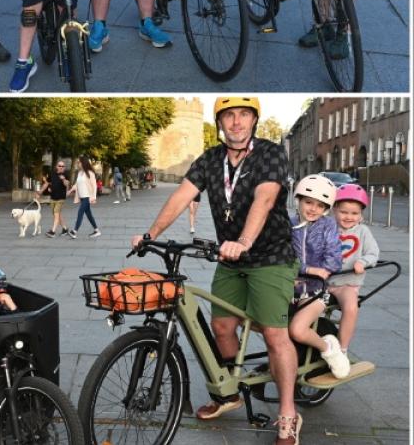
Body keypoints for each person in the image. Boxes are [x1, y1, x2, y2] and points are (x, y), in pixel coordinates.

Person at [132, 97, 302, 445]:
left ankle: (287, 412)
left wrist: (243, 240)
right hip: (230, 261)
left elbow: (266, 198)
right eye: (229, 115)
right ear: (220, 121)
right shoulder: (210, 160)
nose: (236, 122)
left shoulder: (270, 153)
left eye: (243, 115)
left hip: (270, 257)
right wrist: (151, 235)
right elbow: (182, 195)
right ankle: (230, 394)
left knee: (274, 335)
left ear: (254, 119)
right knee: (222, 327)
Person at [286, 175, 349, 379]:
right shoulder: (290, 224)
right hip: (288, 288)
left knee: (297, 330)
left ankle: (329, 348)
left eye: (320, 206)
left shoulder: (327, 226)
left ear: (326, 209)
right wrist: (302, 269)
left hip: (315, 290)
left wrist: (308, 271)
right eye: (309, 202)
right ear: (299, 200)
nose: (313, 209)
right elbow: (282, 257)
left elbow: (333, 260)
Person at [326, 184, 379, 357]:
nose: (349, 217)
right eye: (344, 212)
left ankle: (342, 349)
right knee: (306, 311)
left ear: (361, 215)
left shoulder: (363, 231)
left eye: (354, 213)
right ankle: (314, 342)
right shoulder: (328, 227)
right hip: (323, 282)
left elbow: (373, 253)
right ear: (335, 210)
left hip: (347, 284)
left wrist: (362, 262)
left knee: (351, 308)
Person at [67, 155, 100, 238]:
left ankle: (74, 231)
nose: (78, 164)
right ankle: (96, 230)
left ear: (83, 163)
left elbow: (94, 186)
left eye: (79, 162)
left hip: (87, 197)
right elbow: (76, 184)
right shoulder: (80, 173)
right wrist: (70, 190)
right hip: (82, 197)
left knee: (80, 213)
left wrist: (93, 197)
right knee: (89, 214)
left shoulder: (90, 173)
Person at [38, 160, 70, 237]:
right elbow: (47, 183)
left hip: (61, 198)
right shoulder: (52, 174)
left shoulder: (65, 174)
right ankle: (65, 229)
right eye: (60, 166)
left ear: (64, 167)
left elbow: (67, 184)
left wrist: (63, 179)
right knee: (57, 214)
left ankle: (53, 231)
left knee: (56, 213)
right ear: (56, 166)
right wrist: (41, 191)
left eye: (63, 166)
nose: (61, 167)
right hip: (53, 197)